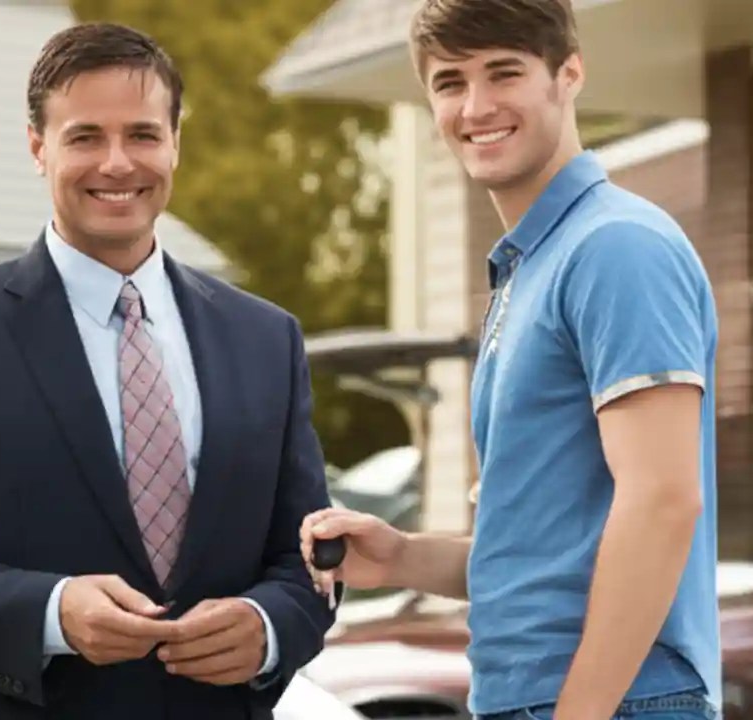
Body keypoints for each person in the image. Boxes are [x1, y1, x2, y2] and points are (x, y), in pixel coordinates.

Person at [0, 21, 335, 720]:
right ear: (38, 148)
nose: (116, 163)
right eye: (84, 137)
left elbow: (309, 562)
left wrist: (267, 629)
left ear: (175, 144)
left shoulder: (265, 338)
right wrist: (50, 611)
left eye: (141, 134)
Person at [301, 1, 722, 719]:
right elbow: (546, 555)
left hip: (620, 701)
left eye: (504, 73)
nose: (477, 106)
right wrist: (402, 556)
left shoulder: (616, 247)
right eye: (450, 82)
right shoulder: (533, 267)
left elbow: (662, 502)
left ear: (569, 74)